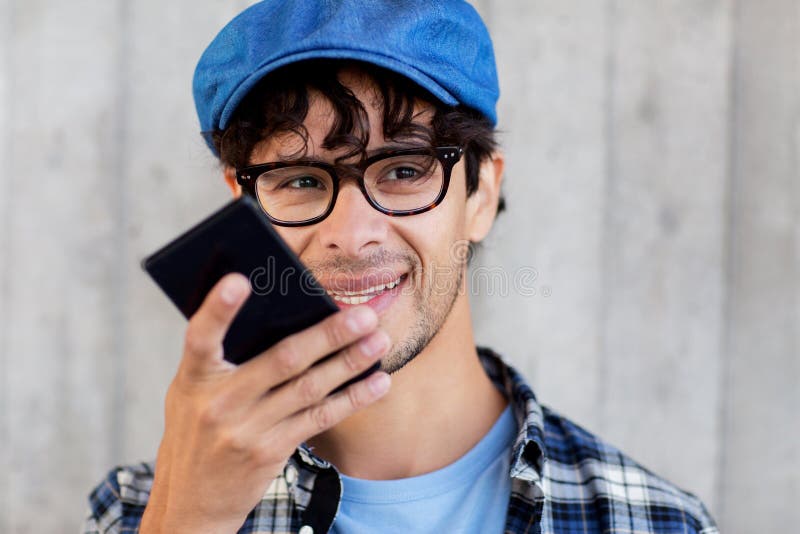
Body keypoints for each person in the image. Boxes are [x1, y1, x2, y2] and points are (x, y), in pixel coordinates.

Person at [83, 1, 720, 533]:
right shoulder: (141, 512)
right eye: (301, 179)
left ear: (482, 195)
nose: (353, 236)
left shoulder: (656, 522)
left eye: (406, 170)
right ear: (245, 208)